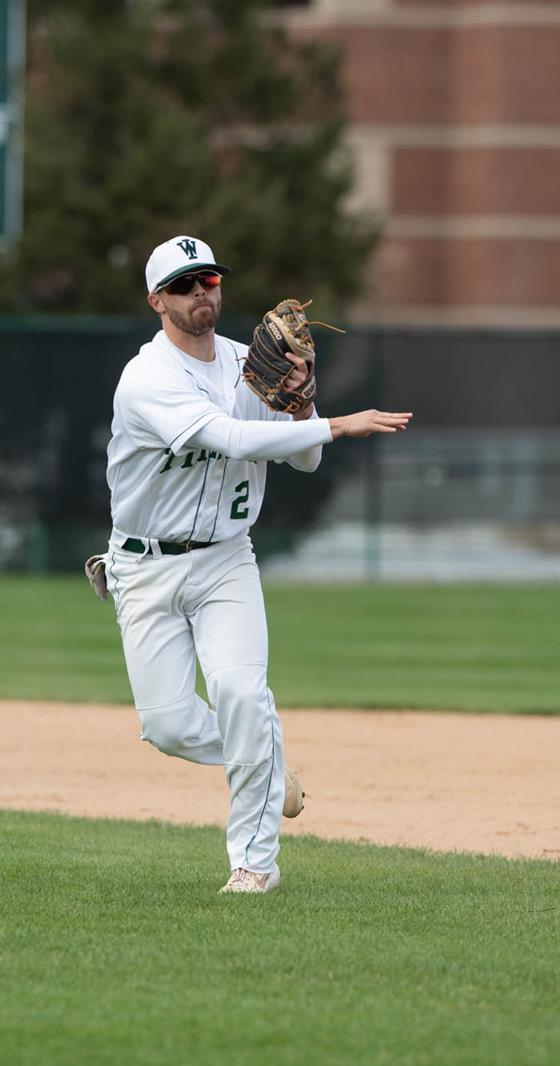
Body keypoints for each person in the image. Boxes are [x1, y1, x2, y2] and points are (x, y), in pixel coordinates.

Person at [93, 235, 413, 894]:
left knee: (241, 695)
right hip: (144, 565)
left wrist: (302, 404)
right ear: (157, 300)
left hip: (226, 562)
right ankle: (267, 763)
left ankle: (254, 866)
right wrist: (337, 424)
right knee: (170, 727)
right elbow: (229, 436)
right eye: (184, 286)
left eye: (209, 280)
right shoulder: (147, 378)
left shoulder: (251, 364)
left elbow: (304, 462)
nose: (201, 294)